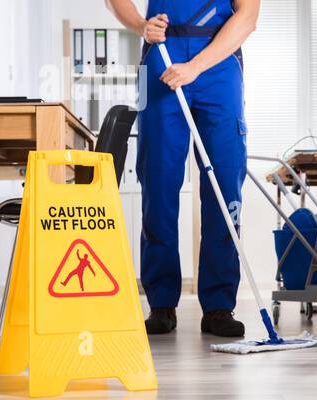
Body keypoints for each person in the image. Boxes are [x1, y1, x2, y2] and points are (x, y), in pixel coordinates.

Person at [105, 0, 260, 337]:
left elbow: (247, 18)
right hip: (157, 59)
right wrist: (140, 26)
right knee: (157, 183)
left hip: (218, 62)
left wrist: (195, 66)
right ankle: (161, 303)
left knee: (224, 185)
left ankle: (219, 305)